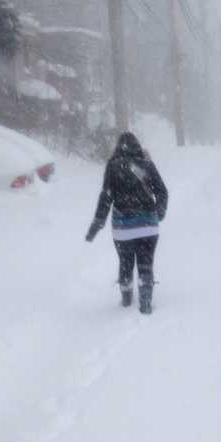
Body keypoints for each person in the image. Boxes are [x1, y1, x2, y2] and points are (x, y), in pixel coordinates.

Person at [86, 132, 169, 314]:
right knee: (146, 263)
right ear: (138, 147)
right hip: (148, 225)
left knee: (125, 262)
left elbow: (106, 197)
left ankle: (125, 301)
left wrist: (97, 224)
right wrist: (158, 213)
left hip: (123, 228)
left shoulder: (113, 166)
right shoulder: (147, 164)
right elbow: (162, 191)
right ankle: (146, 302)